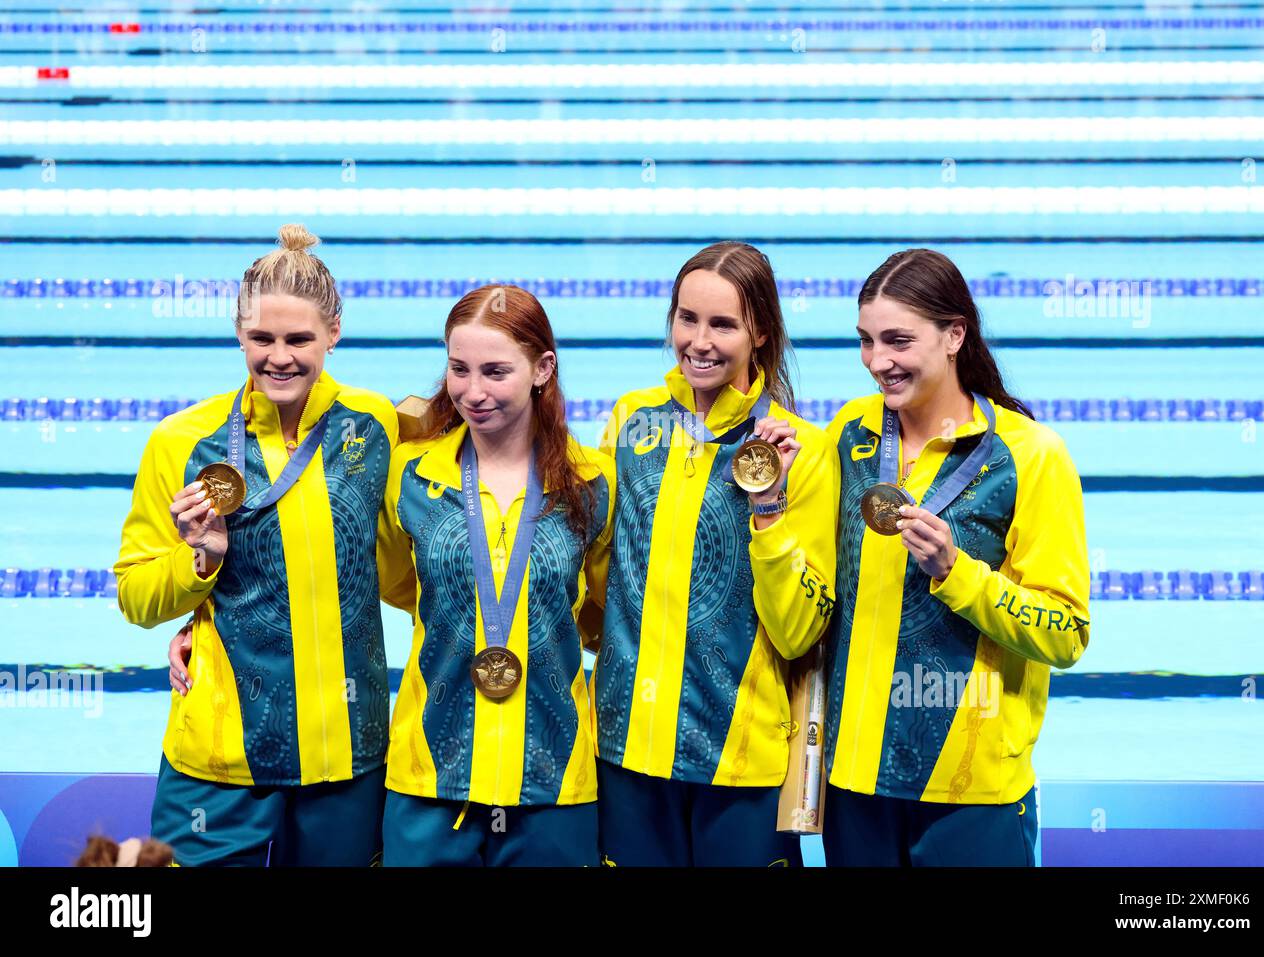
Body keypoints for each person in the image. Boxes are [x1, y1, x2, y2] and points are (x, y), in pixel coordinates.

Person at [114, 224, 397, 866]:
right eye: (261, 338)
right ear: (238, 334)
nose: (280, 357)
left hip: (345, 750)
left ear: (334, 331)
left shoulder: (374, 424)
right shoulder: (182, 441)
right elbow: (134, 595)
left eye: (299, 338)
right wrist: (201, 562)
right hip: (220, 754)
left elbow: (410, 557)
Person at [822, 248, 1090, 866]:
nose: (877, 362)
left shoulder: (1031, 456)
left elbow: (1068, 633)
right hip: (856, 784)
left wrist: (956, 572)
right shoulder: (849, 433)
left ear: (954, 335)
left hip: (971, 790)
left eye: (897, 341)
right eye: (865, 342)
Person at [591, 241, 837, 866]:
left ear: (760, 333)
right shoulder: (631, 422)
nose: (699, 341)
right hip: (627, 748)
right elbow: (596, 569)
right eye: (687, 318)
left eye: (723, 324)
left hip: (740, 762)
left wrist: (769, 508)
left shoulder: (799, 450)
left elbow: (799, 631)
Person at [376, 284, 615, 866]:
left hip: (554, 782)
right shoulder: (411, 476)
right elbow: (393, 586)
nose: (473, 392)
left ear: (542, 369)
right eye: (459, 369)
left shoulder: (594, 483)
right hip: (430, 777)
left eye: (495, 372)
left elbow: (604, 622)